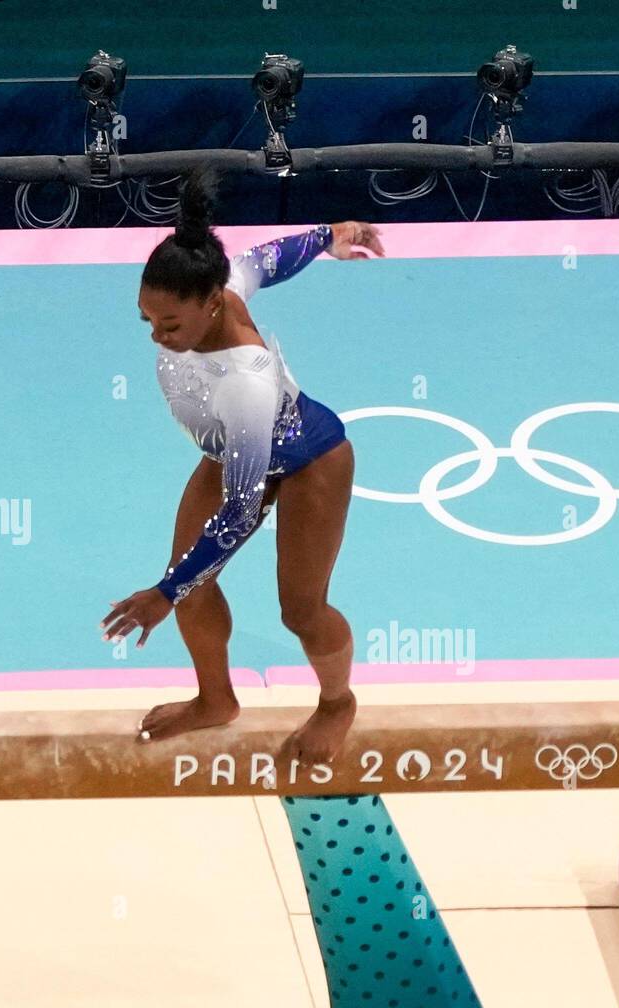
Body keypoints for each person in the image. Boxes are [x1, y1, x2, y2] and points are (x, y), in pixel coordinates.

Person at [100, 166, 384, 765]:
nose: (157, 337)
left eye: (170, 325)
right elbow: (269, 257)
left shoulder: (246, 382)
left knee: (299, 610)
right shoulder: (222, 283)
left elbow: (239, 512)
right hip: (232, 452)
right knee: (192, 582)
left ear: (210, 305)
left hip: (310, 457)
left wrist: (162, 594)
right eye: (147, 321)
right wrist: (329, 234)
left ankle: (337, 703)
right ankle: (215, 699)